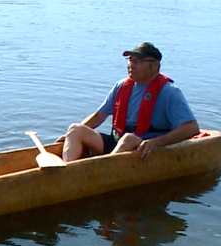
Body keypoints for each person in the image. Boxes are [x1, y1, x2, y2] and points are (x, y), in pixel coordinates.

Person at [60, 43, 200, 163]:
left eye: (138, 61)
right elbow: (98, 116)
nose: (131, 65)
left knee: (129, 139)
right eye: (130, 60)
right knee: (75, 129)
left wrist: (156, 143)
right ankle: (68, 172)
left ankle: (104, 170)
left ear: (155, 65)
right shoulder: (121, 86)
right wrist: (67, 137)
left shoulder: (169, 92)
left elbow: (191, 128)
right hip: (117, 144)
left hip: (144, 147)